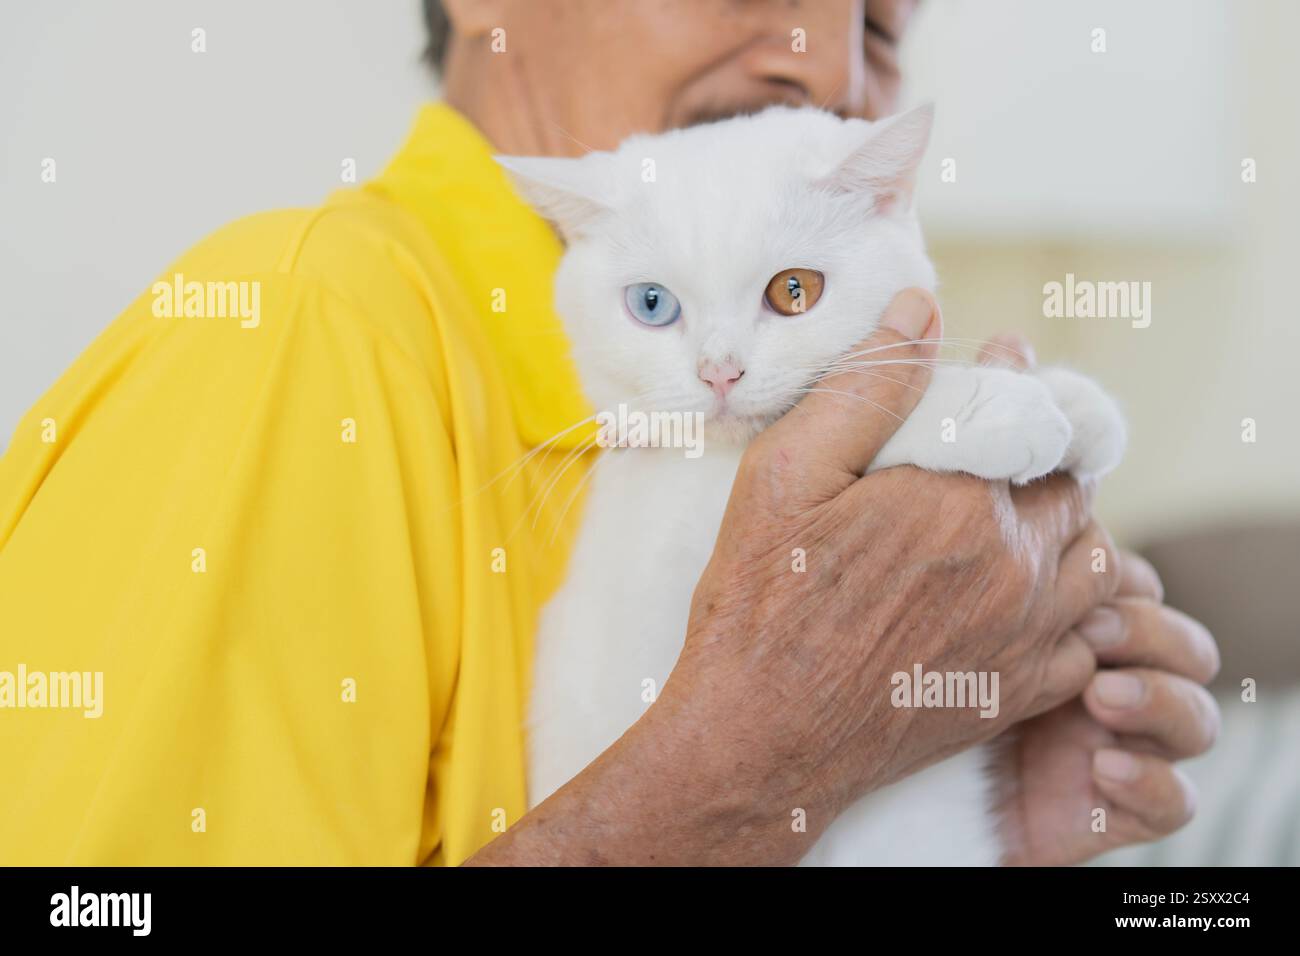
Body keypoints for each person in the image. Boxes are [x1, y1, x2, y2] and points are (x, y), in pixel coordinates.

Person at [0, 0, 1219, 866]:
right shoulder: (298, 329)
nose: (830, 65)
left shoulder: (713, 415)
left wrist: (972, 812)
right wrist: (747, 772)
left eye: (885, 27)